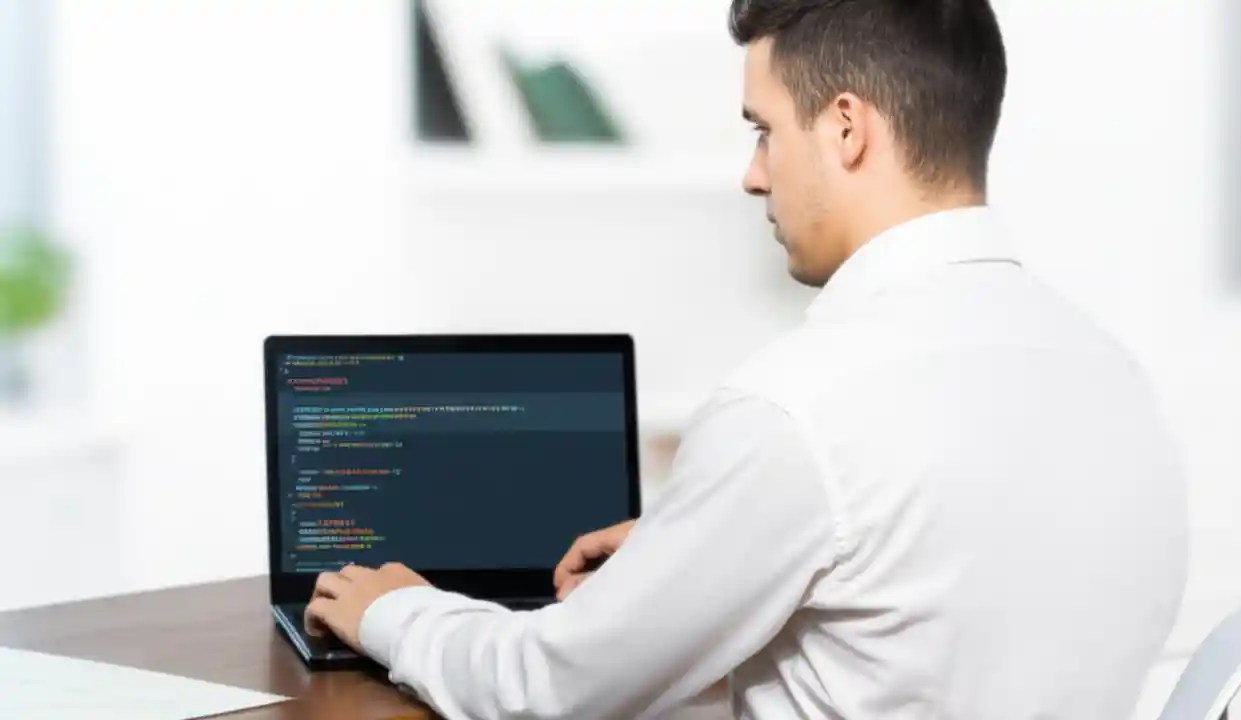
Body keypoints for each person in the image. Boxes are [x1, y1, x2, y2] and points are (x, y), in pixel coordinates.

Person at [303, 0, 1189, 717]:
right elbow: (948, 585)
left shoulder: (798, 408)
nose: (753, 175)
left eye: (763, 130)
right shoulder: (1114, 374)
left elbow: (547, 689)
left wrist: (395, 612)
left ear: (846, 128)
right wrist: (698, 552)